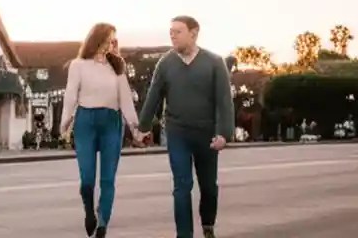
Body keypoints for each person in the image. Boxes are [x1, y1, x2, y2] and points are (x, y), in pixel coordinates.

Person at [138, 15, 235, 238]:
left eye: (178, 31)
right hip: (177, 132)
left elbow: (224, 101)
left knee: (208, 187)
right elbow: (153, 97)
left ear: (194, 33)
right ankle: (184, 234)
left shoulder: (214, 62)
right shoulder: (166, 63)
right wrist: (143, 127)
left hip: (207, 134)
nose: (172, 35)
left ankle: (208, 225)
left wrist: (223, 134)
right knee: (182, 186)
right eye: (171, 31)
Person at [59, 22, 148, 237]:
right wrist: (65, 123)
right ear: (96, 40)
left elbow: (126, 100)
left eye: (114, 41)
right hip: (85, 122)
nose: (111, 45)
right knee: (87, 179)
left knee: (108, 179)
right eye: (108, 40)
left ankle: (102, 222)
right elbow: (70, 95)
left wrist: (136, 128)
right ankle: (89, 211)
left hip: (111, 122)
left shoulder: (117, 67)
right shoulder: (78, 65)